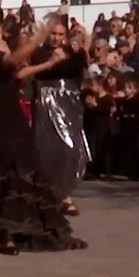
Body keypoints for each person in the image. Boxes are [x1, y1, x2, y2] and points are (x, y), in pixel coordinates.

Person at [0, 4, 87, 254]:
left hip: (12, 111)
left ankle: (17, 230)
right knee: (1, 166)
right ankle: (0, 234)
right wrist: (37, 41)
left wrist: (49, 64)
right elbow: (11, 60)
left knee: (22, 167)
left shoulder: (4, 44)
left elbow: (18, 75)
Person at [28, 18, 90, 216]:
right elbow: (52, 70)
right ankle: (58, 196)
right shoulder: (40, 53)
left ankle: (63, 191)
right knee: (49, 148)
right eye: (53, 33)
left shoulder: (72, 53)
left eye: (60, 34)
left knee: (72, 148)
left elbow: (78, 66)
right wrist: (62, 59)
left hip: (69, 103)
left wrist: (82, 47)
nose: (56, 38)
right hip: (48, 102)